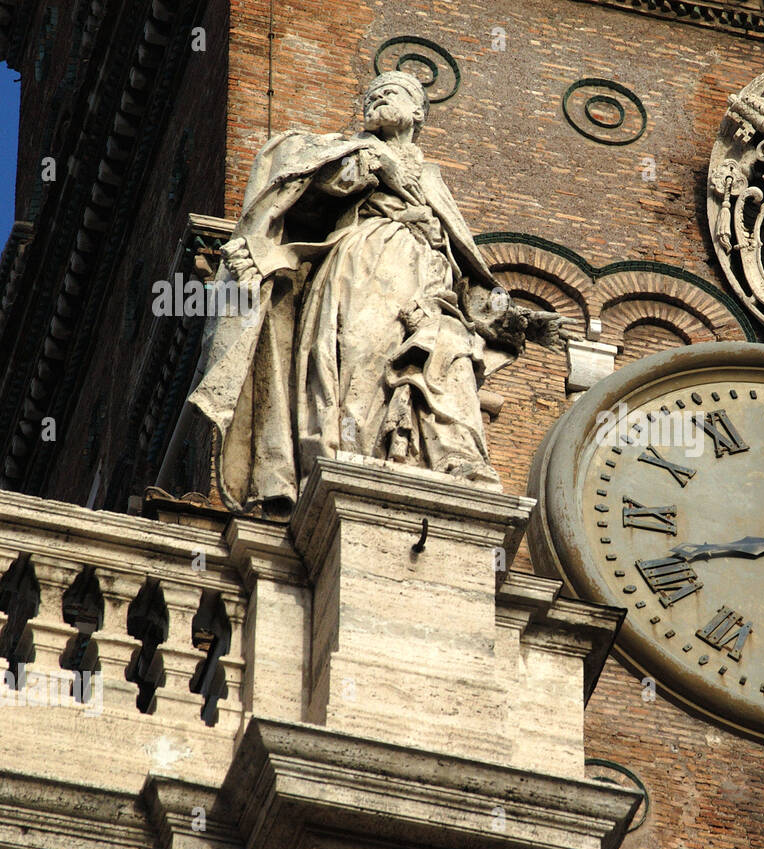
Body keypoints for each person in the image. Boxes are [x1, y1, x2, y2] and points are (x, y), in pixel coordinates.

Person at [189, 70, 568, 517]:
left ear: (417, 113)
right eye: (373, 95)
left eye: (393, 93)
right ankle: (347, 456)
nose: (379, 99)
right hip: (366, 262)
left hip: (430, 282)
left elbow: (468, 274)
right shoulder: (356, 152)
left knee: (444, 362)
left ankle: (439, 459)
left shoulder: (430, 176)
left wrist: (517, 320)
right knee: (359, 353)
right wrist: (370, 166)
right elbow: (304, 180)